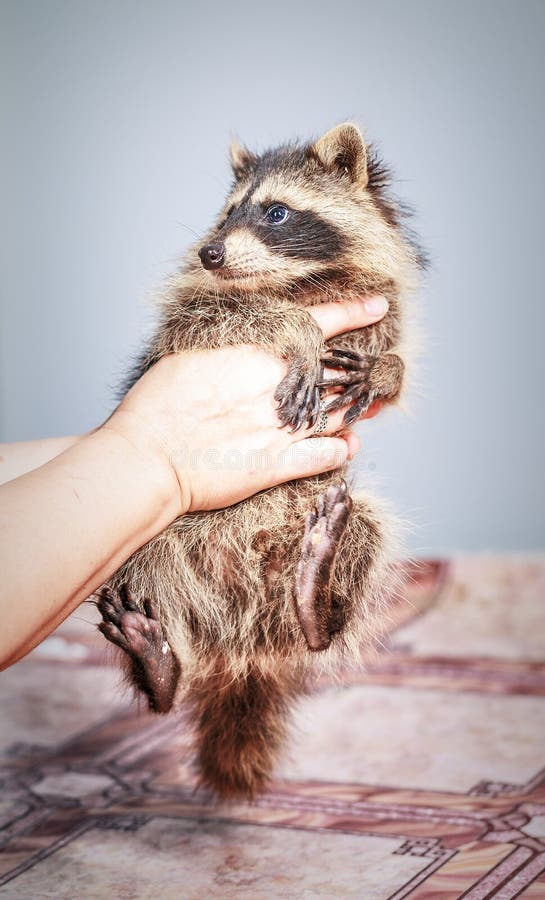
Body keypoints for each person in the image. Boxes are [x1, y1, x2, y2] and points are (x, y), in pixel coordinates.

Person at [0, 296, 388, 669]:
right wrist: (159, 455)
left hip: (274, 532)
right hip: (206, 548)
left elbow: (389, 382)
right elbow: (182, 332)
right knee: (142, 545)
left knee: (363, 525)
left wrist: (140, 437)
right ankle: (171, 649)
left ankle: (316, 607)